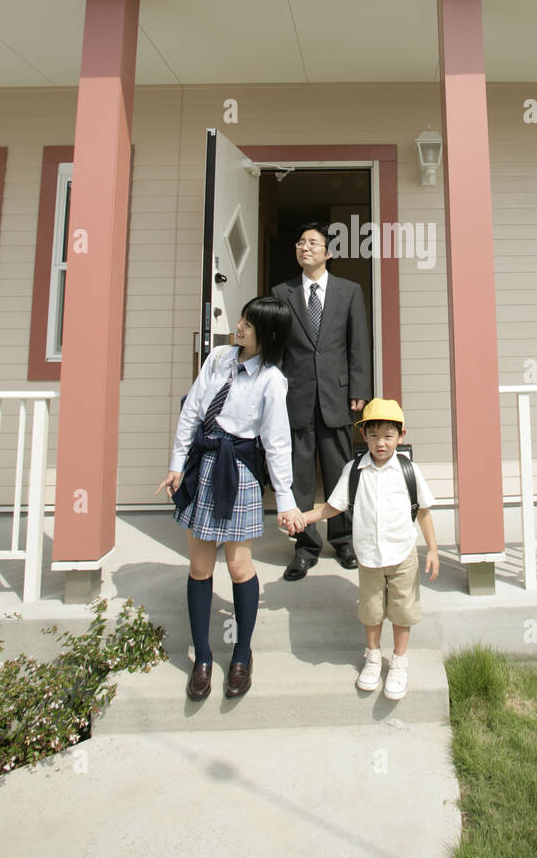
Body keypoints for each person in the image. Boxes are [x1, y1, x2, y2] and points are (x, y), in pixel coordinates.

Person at [156, 296, 303, 701]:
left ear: (268, 334)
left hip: (238, 471)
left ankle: (241, 654)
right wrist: (176, 462)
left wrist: (286, 500)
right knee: (200, 565)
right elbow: (192, 410)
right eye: (241, 319)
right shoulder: (219, 357)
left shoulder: (272, 379)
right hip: (204, 463)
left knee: (239, 566)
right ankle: (202, 657)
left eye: (249, 324)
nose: (239, 327)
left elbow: (277, 443)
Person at [296, 398, 439, 700]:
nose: (381, 443)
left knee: (402, 611)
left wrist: (434, 550)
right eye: (373, 435)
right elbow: (331, 509)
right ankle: (373, 658)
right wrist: (302, 517)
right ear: (363, 436)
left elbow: (423, 511)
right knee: (371, 612)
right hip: (370, 558)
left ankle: (399, 662)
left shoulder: (408, 470)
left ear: (401, 436)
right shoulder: (354, 470)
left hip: (403, 555)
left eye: (388, 436)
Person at [271, 221, 372, 580]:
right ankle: (305, 546)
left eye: (312, 243)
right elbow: (277, 348)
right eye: (300, 243)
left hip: (337, 395)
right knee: (299, 474)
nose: (305, 248)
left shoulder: (349, 291)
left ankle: (344, 539)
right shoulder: (281, 292)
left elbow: (358, 343)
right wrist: (273, 393)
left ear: (328, 252)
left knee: (339, 470)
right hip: (294, 394)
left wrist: (358, 389)